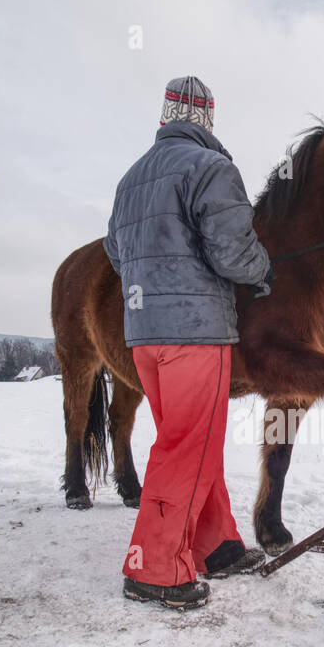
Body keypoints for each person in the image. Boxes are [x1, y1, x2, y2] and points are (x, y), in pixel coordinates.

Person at [104, 76, 274, 610]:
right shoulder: (211, 168)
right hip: (195, 334)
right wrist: (263, 270)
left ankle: (215, 544)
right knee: (186, 448)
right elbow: (231, 250)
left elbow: (116, 250)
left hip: (143, 338)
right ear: (207, 121)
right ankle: (153, 568)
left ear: (166, 116)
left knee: (190, 442)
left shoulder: (131, 179)